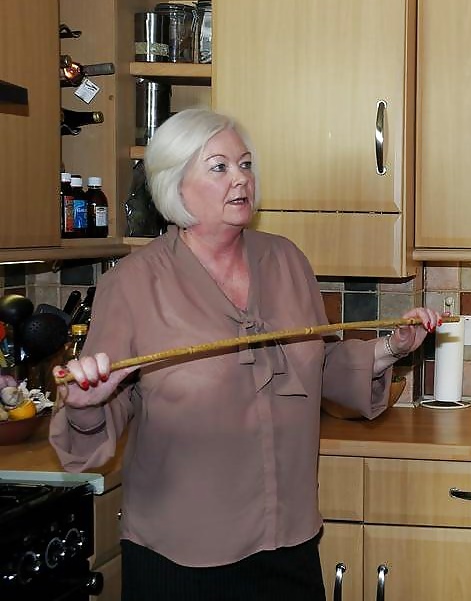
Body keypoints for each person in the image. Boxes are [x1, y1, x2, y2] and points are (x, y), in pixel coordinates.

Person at [48, 108, 442, 601]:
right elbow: (104, 415)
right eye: (219, 167)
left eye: (246, 164)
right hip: (182, 554)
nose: (241, 179)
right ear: (176, 184)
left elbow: (314, 364)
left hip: (288, 541)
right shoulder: (131, 285)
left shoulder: (286, 260)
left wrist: (389, 349)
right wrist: (85, 406)